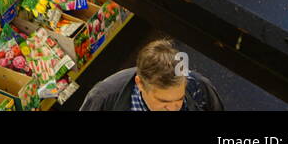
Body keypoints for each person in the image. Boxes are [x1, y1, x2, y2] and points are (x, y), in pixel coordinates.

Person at [80, 38, 225, 110]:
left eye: (179, 99)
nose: (173, 109)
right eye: (163, 102)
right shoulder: (104, 98)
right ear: (140, 83)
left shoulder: (198, 86)